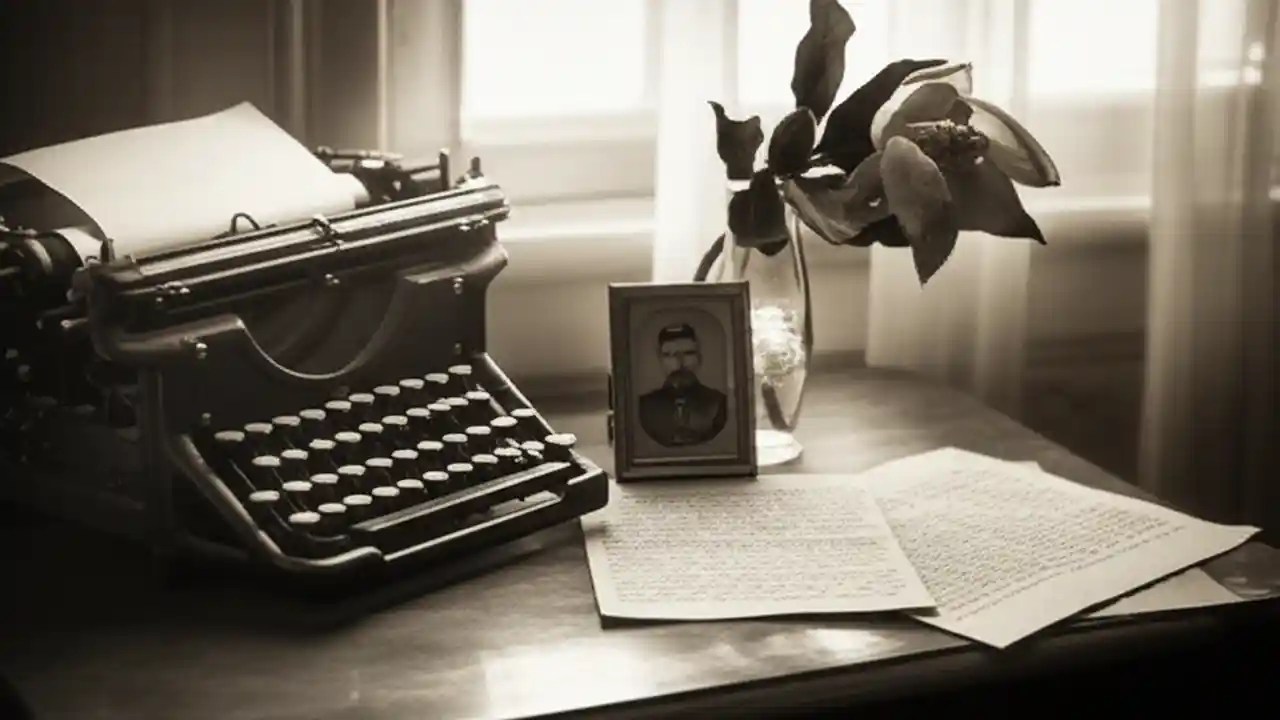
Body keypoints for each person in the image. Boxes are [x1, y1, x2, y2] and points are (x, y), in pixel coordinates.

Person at [638, 322, 727, 447]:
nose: (679, 361)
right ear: (660, 360)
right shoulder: (643, 407)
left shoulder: (719, 404)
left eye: (688, 353)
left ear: (699, 358)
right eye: (669, 355)